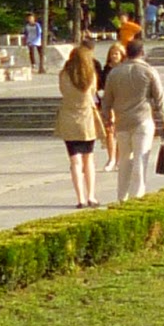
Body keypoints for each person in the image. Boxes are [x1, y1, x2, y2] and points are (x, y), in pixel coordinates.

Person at [104, 40, 164, 202]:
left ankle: (122, 197)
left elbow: (106, 100)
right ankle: (137, 197)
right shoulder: (148, 71)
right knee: (141, 160)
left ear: (126, 53)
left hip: (122, 123)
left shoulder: (115, 73)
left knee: (125, 161)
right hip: (143, 120)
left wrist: (107, 118)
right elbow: (159, 97)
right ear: (142, 52)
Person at [55, 45, 102, 208]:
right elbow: (94, 92)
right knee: (89, 158)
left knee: (75, 161)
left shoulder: (63, 75)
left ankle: (80, 198)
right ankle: (91, 196)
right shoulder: (90, 76)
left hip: (68, 117)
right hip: (86, 118)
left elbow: (62, 91)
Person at [98, 42, 125, 171]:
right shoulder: (106, 70)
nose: (114, 56)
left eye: (117, 53)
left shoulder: (125, 69)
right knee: (109, 131)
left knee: (119, 132)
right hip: (108, 103)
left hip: (122, 103)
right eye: (112, 54)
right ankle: (111, 158)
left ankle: (119, 159)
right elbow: (101, 85)